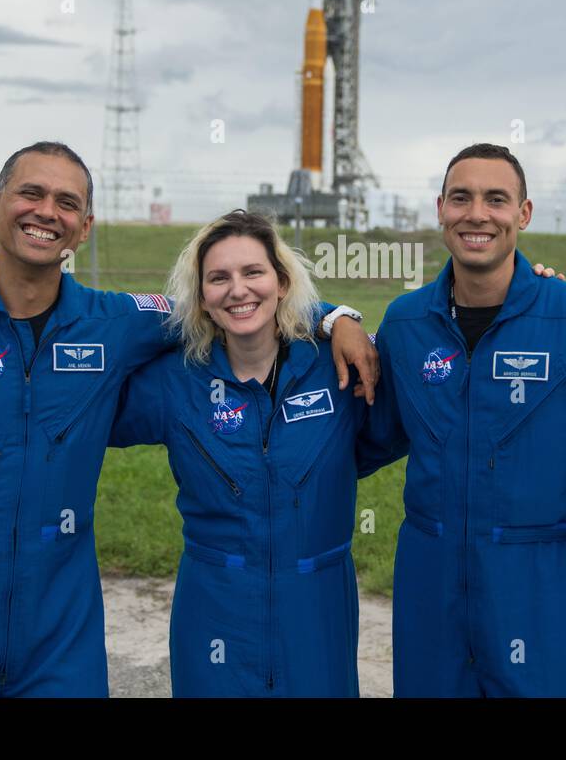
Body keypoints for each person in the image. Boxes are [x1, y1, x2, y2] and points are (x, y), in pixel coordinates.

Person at [0, 142, 376, 697]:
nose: (45, 213)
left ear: (84, 227)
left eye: (65, 202)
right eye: (30, 194)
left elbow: (243, 306)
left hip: (60, 633)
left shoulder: (115, 322)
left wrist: (336, 319)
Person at [370, 143, 566, 698]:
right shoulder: (405, 324)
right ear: (440, 209)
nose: (477, 213)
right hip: (430, 599)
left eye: (496, 199)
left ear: (522, 214)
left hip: (540, 596)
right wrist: (333, 321)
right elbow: (356, 439)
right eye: (462, 197)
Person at [105, 211, 409, 696]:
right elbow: (76, 405)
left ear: (283, 282)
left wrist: (336, 317)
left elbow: (424, 399)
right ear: (202, 297)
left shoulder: (339, 367)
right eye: (218, 278)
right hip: (214, 609)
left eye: (253, 272)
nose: (238, 290)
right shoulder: (174, 382)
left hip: (318, 605)